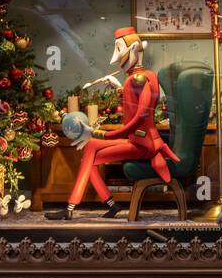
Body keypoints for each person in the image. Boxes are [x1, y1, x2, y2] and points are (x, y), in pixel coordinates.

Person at [47, 27, 178, 220]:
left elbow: (139, 118)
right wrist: (119, 87)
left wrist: (101, 134)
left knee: (89, 154)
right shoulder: (144, 76)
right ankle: (109, 204)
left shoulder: (139, 79)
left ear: (134, 49)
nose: (116, 59)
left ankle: (72, 208)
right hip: (140, 141)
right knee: (89, 152)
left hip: (143, 144)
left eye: (120, 51)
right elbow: (136, 103)